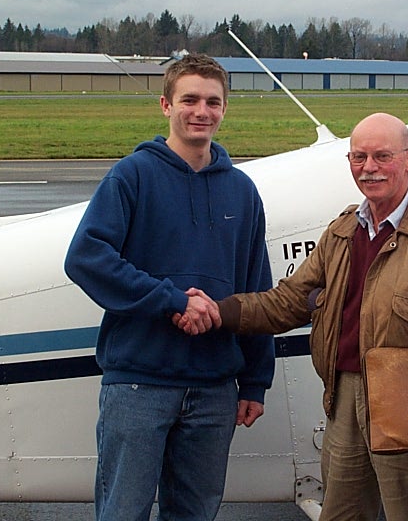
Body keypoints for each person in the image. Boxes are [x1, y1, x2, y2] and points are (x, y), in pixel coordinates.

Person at [196, 112, 408, 520]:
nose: (369, 168)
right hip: (345, 401)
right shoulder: (342, 232)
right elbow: (287, 301)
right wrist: (217, 311)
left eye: (382, 156)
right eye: (359, 157)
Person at [64, 54, 274, 521]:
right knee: (124, 510)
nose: (202, 111)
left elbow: (257, 289)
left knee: (195, 512)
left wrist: (256, 381)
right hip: (140, 383)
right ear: (166, 105)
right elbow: (86, 258)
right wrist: (172, 300)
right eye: (190, 100)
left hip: (215, 388)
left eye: (213, 102)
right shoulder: (132, 175)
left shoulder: (242, 191)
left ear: (224, 109)